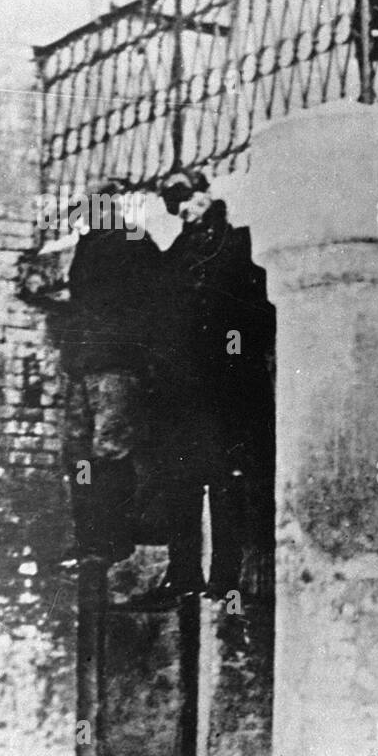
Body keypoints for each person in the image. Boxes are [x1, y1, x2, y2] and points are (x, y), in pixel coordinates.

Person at [127, 171, 275, 610]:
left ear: (209, 195)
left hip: (229, 386)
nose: (186, 209)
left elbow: (259, 312)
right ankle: (183, 574)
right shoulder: (175, 255)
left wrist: (236, 354)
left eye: (190, 199)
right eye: (178, 204)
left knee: (228, 479)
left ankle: (227, 580)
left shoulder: (238, 245)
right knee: (180, 480)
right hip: (184, 390)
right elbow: (159, 314)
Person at [58, 178, 162, 567]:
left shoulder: (133, 242)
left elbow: (155, 302)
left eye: (87, 210)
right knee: (79, 454)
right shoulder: (90, 246)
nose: (81, 220)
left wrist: (139, 352)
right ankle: (89, 537)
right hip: (85, 366)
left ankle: (113, 539)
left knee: (111, 451)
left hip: (118, 364)